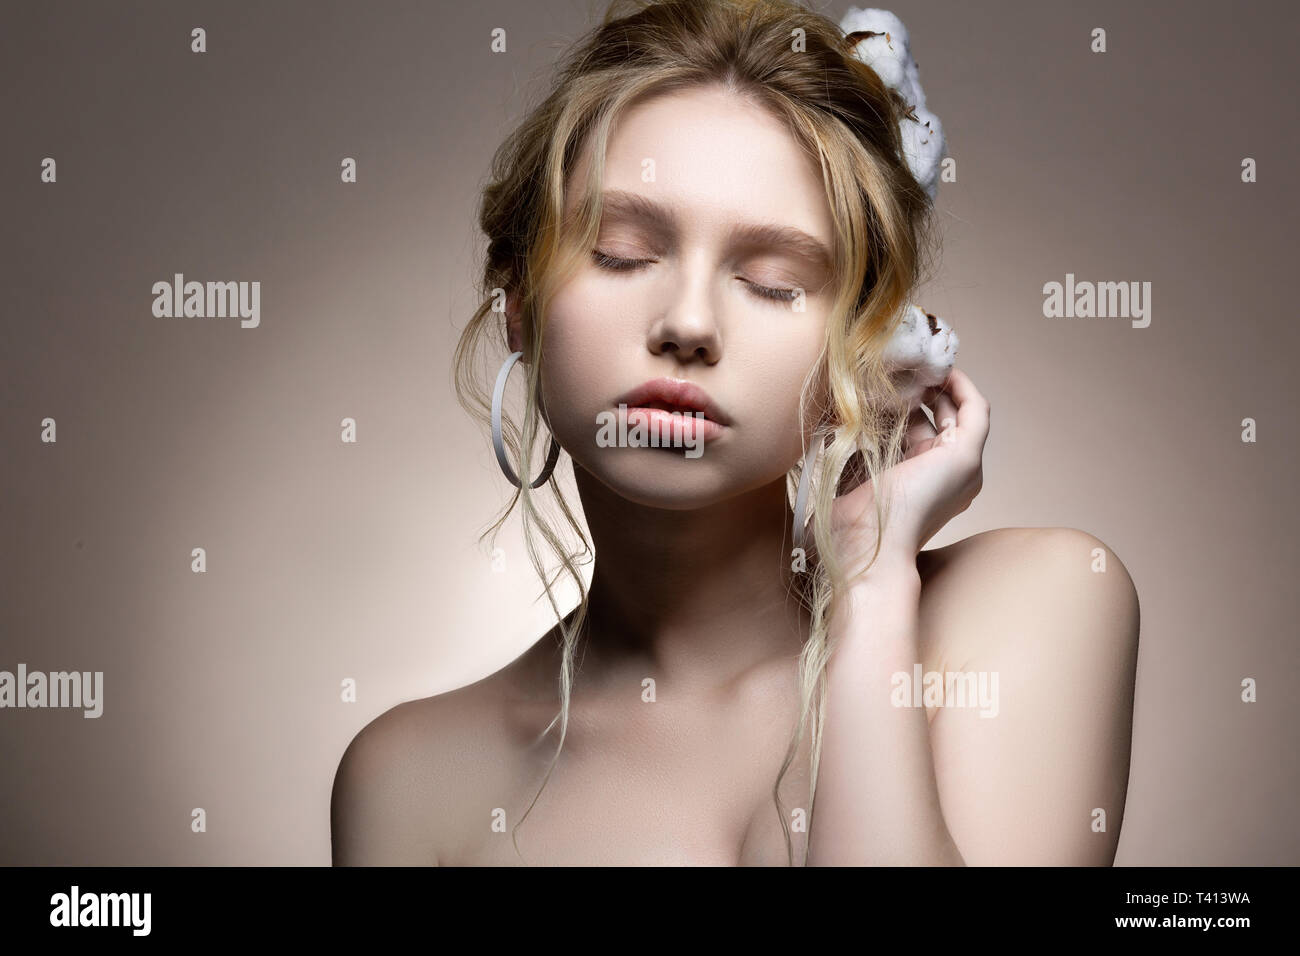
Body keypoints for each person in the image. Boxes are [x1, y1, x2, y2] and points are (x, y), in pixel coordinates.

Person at [331, 0, 1140, 866]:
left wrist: (870, 588)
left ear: (860, 353)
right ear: (521, 309)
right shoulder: (406, 780)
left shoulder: (1029, 605)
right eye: (620, 252)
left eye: (771, 280)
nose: (687, 323)